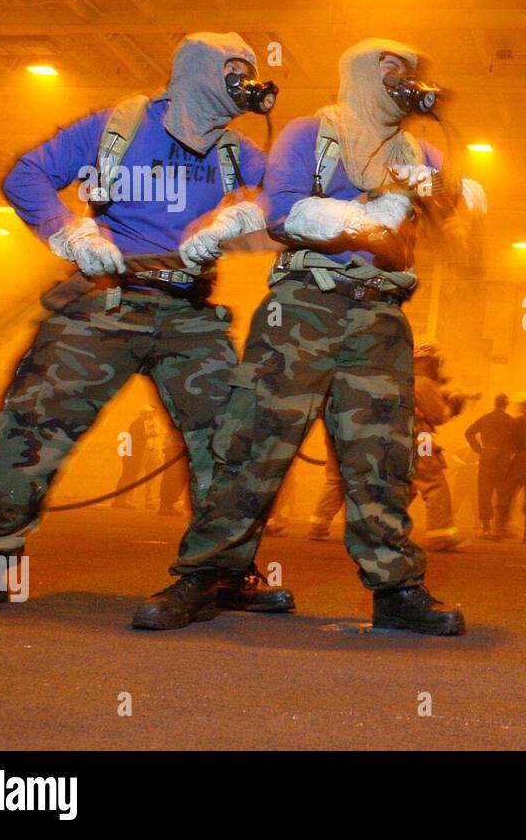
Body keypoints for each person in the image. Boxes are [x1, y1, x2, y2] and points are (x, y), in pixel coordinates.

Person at [0, 32, 288, 618]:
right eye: (232, 72)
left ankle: (225, 571)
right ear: (198, 73)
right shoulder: (114, 126)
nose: (243, 84)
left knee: (230, 437)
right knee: (34, 420)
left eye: (247, 73)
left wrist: (242, 224)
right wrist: (70, 231)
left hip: (189, 312)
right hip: (104, 300)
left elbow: (292, 205)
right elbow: (27, 175)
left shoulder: (239, 152)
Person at [133, 38, 485, 635]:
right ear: (360, 75)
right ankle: (210, 574)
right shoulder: (311, 133)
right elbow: (282, 211)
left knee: (382, 456)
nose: (405, 81)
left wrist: (457, 200)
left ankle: (396, 588)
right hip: (303, 308)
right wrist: (365, 215)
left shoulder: (420, 151)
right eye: (391, 69)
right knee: (253, 442)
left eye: (411, 70)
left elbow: (442, 223)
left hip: (379, 315)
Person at [410, 342, 477, 551]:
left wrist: (442, 394)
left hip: (396, 441)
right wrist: (455, 405)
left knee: (405, 488)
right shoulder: (423, 383)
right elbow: (438, 416)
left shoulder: (404, 380)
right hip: (420, 439)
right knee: (434, 484)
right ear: (432, 363)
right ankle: (440, 537)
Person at [493, 397, 526, 544]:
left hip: (518, 462)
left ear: (522, 407)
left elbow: (508, 443)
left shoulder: (516, 422)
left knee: (507, 495)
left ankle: (499, 530)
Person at [464, 393, 516, 535]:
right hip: (504, 458)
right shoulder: (510, 421)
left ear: (495, 403)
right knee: (503, 491)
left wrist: (479, 449)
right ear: (506, 405)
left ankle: (486, 526)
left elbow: (468, 432)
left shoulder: (486, 418)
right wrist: (511, 451)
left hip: (487, 456)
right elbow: (517, 441)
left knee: (484, 490)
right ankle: (500, 526)